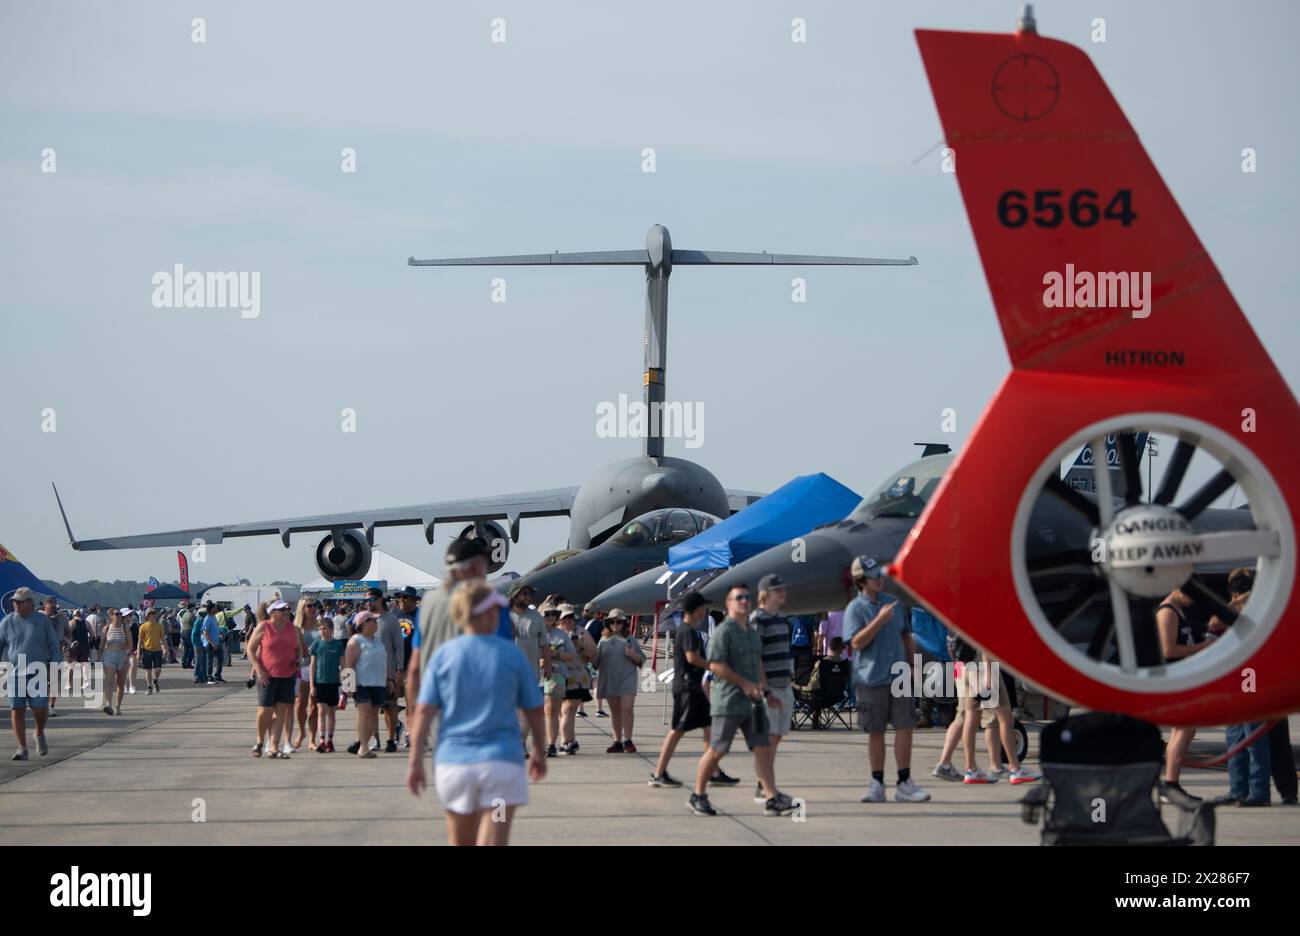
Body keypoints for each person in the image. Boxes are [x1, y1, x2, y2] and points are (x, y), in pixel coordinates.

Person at [406, 580, 547, 846]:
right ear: (486, 612)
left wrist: (415, 761)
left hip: (455, 768)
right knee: (495, 834)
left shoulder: (442, 656)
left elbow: (423, 711)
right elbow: (535, 710)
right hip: (501, 768)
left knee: (459, 840)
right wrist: (540, 749)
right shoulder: (512, 656)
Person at [689, 585, 791, 817]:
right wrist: (744, 684)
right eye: (739, 598)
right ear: (728, 603)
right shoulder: (724, 632)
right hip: (729, 702)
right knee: (717, 750)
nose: (744, 601)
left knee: (763, 749)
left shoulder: (752, 634)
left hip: (753, 703)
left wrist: (766, 692)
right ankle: (698, 795)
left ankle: (771, 797)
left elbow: (758, 666)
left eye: (747, 597)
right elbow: (716, 665)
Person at [842, 556, 930, 803]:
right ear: (861, 581)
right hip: (871, 678)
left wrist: (913, 665)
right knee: (876, 731)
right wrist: (879, 620)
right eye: (873, 576)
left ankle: (904, 781)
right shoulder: (855, 609)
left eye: (879, 575)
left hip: (899, 675)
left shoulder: (894, 603)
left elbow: (906, 636)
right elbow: (856, 642)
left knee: (905, 727)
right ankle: (877, 783)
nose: (879, 580)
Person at [408, 539, 491, 709]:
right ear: (475, 566)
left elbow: (415, 667)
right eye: (483, 565)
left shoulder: (428, 604)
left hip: (437, 704)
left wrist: (414, 717)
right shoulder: (490, 605)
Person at [651, 592, 717, 787]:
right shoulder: (687, 631)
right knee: (678, 730)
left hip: (693, 686)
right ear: (697, 610)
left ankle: (713, 770)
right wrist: (712, 666)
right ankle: (658, 773)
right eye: (703, 607)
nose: (704, 611)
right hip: (687, 687)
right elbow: (691, 658)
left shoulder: (689, 629)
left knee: (708, 726)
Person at [1156, 585, 1214, 801]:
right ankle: (1171, 784)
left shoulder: (1181, 610)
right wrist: (1203, 647)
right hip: (1174, 678)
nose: (1193, 600)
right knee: (1184, 730)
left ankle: (1171, 783)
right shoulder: (1168, 612)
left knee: (1182, 731)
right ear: (1177, 589)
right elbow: (1168, 650)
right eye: (1191, 594)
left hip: (1184, 677)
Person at [749, 574, 796, 806]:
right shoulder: (758, 619)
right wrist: (764, 688)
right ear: (766, 593)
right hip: (769, 689)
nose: (783, 593)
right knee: (766, 740)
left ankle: (763, 782)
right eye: (778, 590)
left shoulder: (781, 618)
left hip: (784, 685)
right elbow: (755, 656)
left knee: (776, 737)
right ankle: (767, 787)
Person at [0, 588, 61, 759]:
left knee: (40, 709)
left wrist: (54, 666)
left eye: (20, 601)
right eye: (14, 601)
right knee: (16, 709)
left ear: (30, 602)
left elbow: (53, 645)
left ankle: (39, 733)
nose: (16, 604)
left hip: (37, 671)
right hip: (15, 673)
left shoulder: (42, 621)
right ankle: (22, 747)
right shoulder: (7, 622)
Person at [246, 600, 302, 758]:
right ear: (272, 612)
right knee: (265, 710)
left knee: (281, 711)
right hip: (266, 676)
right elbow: (250, 649)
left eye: (287, 609)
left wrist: (297, 660)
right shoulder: (264, 626)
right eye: (281, 609)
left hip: (287, 675)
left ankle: (274, 747)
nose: (285, 612)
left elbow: (298, 648)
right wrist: (258, 670)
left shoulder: (292, 628)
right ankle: (259, 741)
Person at [596, 609, 645, 753]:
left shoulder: (630, 639)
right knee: (615, 711)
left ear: (624, 623)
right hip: (610, 679)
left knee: (627, 708)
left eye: (618, 622)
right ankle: (617, 741)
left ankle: (628, 740)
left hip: (627, 678)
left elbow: (641, 660)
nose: (615, 624)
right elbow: (596, 662)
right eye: (612, 622)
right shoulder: (603, 640)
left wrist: (631, 654)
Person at [509, 583, 551, 740]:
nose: (527, 597)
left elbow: (545, 644)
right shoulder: (503, 616)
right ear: (514, 595)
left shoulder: (535, 616)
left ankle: (520, 742)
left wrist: (548, 665)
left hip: (530, 671)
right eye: (524, 593)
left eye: (529, 594)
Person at [344, 611, 388, 758]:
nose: (376, 623)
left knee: (373, 715)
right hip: (362, 683)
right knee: (364, 713)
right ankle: (363, 747)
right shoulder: (355, 641)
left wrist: (389, 680)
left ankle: (363, 743)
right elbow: (348, 664)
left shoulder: (377, 641)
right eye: (372, 621)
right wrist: (348, 686)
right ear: (363, 624)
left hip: (378, 683)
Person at [371, 588, 406, 753]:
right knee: (370, 707)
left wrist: (400, 669)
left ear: (379, 600)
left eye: (371, 599)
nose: (367, 603)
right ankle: (375, 738)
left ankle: (391, 739)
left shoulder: (391, 620)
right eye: (366, 600)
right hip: (368, 671)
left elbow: (399, 646)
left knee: (390, 706)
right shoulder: (365, 619)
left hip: (388, 671)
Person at [556, 605, 595, 753]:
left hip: (577, 676)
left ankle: (566, 741)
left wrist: (580, 645)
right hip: (557, 675)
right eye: (565, 617)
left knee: (569, 709)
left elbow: (593, 654)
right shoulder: (553, 633)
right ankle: (568, 739)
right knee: (562, 711)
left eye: (570, 617)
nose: (568, 620)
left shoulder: (581, 632)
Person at [308, 616, 346, 752]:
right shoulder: (316, 644)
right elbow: (312, 666)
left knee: (331, 713)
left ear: (331, 629)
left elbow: (343, 666)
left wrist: (346, 687)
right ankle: (322, 740)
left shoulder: (338, 645)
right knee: (321, 711)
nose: (322, 631)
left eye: (324, 628)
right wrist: (312, 685)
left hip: (333, 683)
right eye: (320, 629)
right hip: (319, 682)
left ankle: (330, 740)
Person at [391, 587, 420, 747]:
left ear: (414, 600)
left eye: (405, 598)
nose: (402, 600)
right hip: (395, 666)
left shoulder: (421, 616)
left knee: (411, 702)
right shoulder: (394, 615)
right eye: (400, 598)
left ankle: (410, 733)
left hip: (413, 665)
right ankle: (396, 726)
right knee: (391, 702)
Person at [291, 598, 321, 751]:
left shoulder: (321, 626)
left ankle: (312, 739)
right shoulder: (297, 628)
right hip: (301, 669)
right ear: (302, 608)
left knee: (314, 706)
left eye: (314, 605)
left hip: (318, 670)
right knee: (299, 705)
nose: (313, 608)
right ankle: (302, 731)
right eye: (309, 606)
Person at [99, 608, 135, 716]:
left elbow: (130, 644)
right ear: (111, 616)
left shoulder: (125, 628)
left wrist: (127, 656)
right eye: (117, 614)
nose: (119, 616)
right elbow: (101, 645)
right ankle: (108, 704)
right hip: (109, 656)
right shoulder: (107, 628)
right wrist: (98, 658)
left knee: (120, 684)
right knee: (109, 682)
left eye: (120, 614)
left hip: (122, 656)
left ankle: (118, 706)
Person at [137, 609, 165, 695]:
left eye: (154, 614)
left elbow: (163, 638)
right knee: (148, 670)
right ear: (147, 616)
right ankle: (149, 688)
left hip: (157, 650)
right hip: (147, 650)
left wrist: (165, 649)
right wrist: (138, 653)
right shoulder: (143, 626)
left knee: (158, 669)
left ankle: (155, 680)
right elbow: (140, 641)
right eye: (151, 614)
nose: (153, 615)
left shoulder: (159, 626)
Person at [178, 602, 195, 669]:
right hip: (189, 632)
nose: (193, 609)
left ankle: (183, 661)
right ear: (191, 608)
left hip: (183, 632)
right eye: (193, 607)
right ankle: (188, 663)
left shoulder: (184, 614)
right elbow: (195, 623)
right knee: (191, 648)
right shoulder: (191, 614)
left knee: (186, 649)